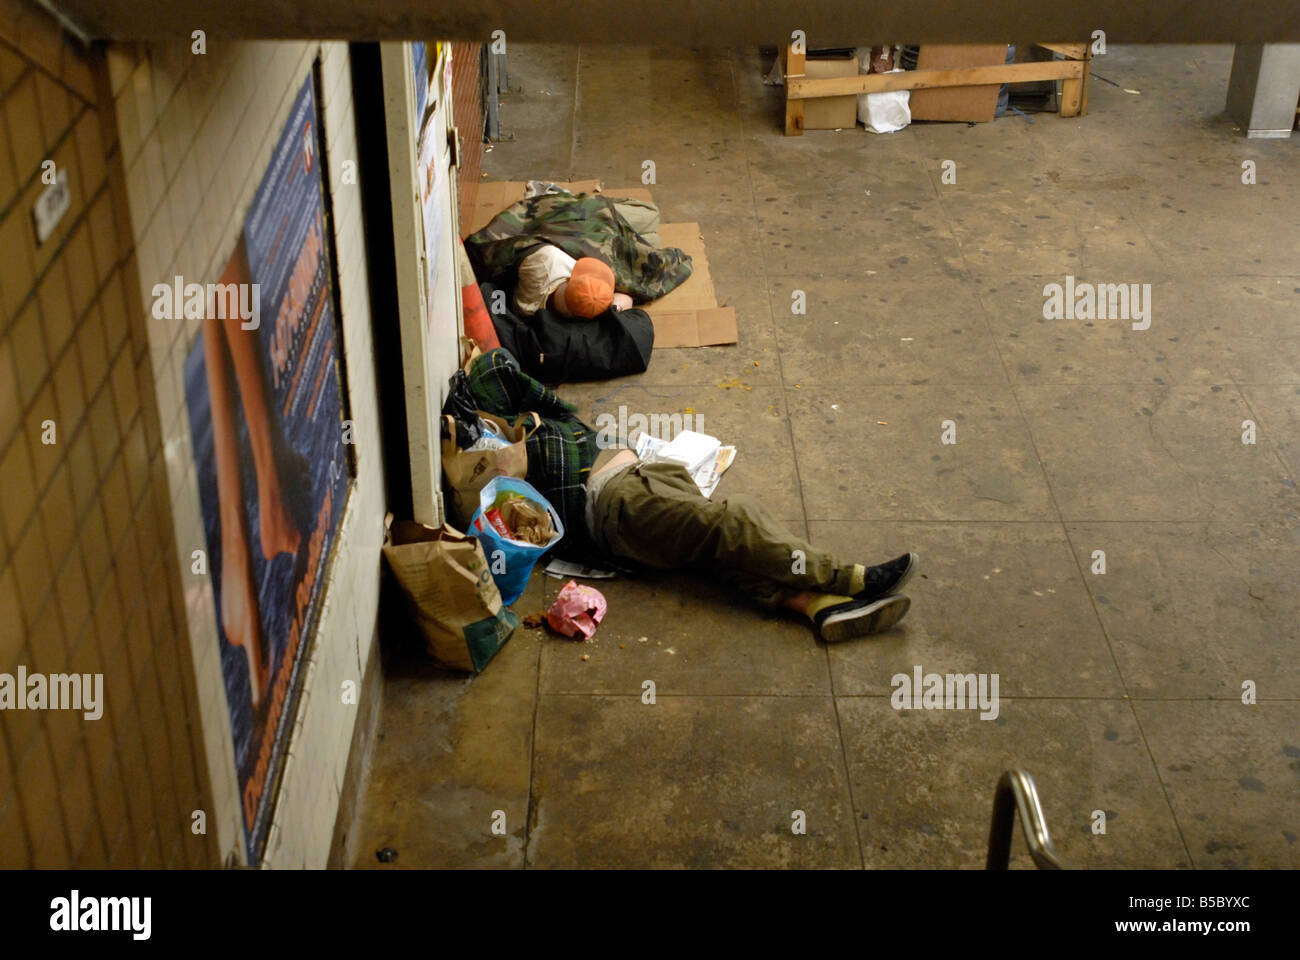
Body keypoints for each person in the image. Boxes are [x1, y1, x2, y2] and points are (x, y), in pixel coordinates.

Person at [462, 348, 915, 642]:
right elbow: (496, 370)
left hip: (643, 480)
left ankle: (815, 606)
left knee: (712, 550)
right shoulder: (495, 455)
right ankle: (850, 579)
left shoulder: (520, 429)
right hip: (617, 502)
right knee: (731, 520)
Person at [512, 246, 634, 318]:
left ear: (570, 279)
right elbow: (627, 299)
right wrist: (611, 309)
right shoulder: (584, 317)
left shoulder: (547, 259)